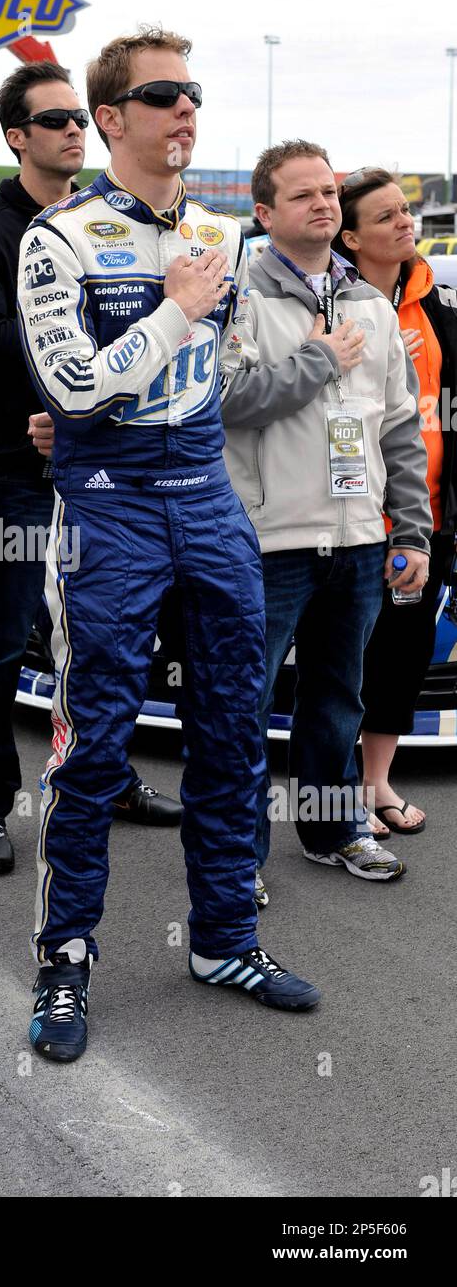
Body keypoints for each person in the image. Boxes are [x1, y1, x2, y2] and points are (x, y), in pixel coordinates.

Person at [16, 27, 320, 1064]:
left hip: (205, 493)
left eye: (192, 92)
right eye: (159, 94)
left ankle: (224, 940)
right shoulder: (54, 239)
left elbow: (214, 374)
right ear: (109, 117)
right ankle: (64, 958)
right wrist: (168, 309)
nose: (183, 109)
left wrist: (188, 327)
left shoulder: (222, 234)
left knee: (234, 725)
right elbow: (69, 387)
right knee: (94, 742)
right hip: (107, 502)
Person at [0, 61, 182, 875]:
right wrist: (86, 347)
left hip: (109, 464)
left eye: (77, 120)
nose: (71, 132)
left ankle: (107, 778)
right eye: (52, 122)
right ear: (17, 137)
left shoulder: (107, 219)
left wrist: (105, 345)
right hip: (19, 465)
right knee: (1, 637)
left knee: (103, 635)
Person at [221, 141, 432, 901]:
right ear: (263, 213)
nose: (321, 204)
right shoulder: (231, 289)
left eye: (328, 193)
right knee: (241, 703)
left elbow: (399, 430)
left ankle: (333, 830)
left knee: (336, 697)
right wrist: (316, 360)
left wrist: (408, 530)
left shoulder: (371, 306)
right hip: (266, 541)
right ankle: (234, 861)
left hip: (357, 542)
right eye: (302, 194)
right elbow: (223, 402)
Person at [336, 167, 457, 834]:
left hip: (422, 518)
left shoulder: (432, 302)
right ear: (350, 237)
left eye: (403, 213)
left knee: (401, 657)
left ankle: (377, 784)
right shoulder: (327, 302)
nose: (403, 224)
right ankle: (336, 796)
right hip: (345, 518)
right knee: (344, 659)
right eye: (384, 218)